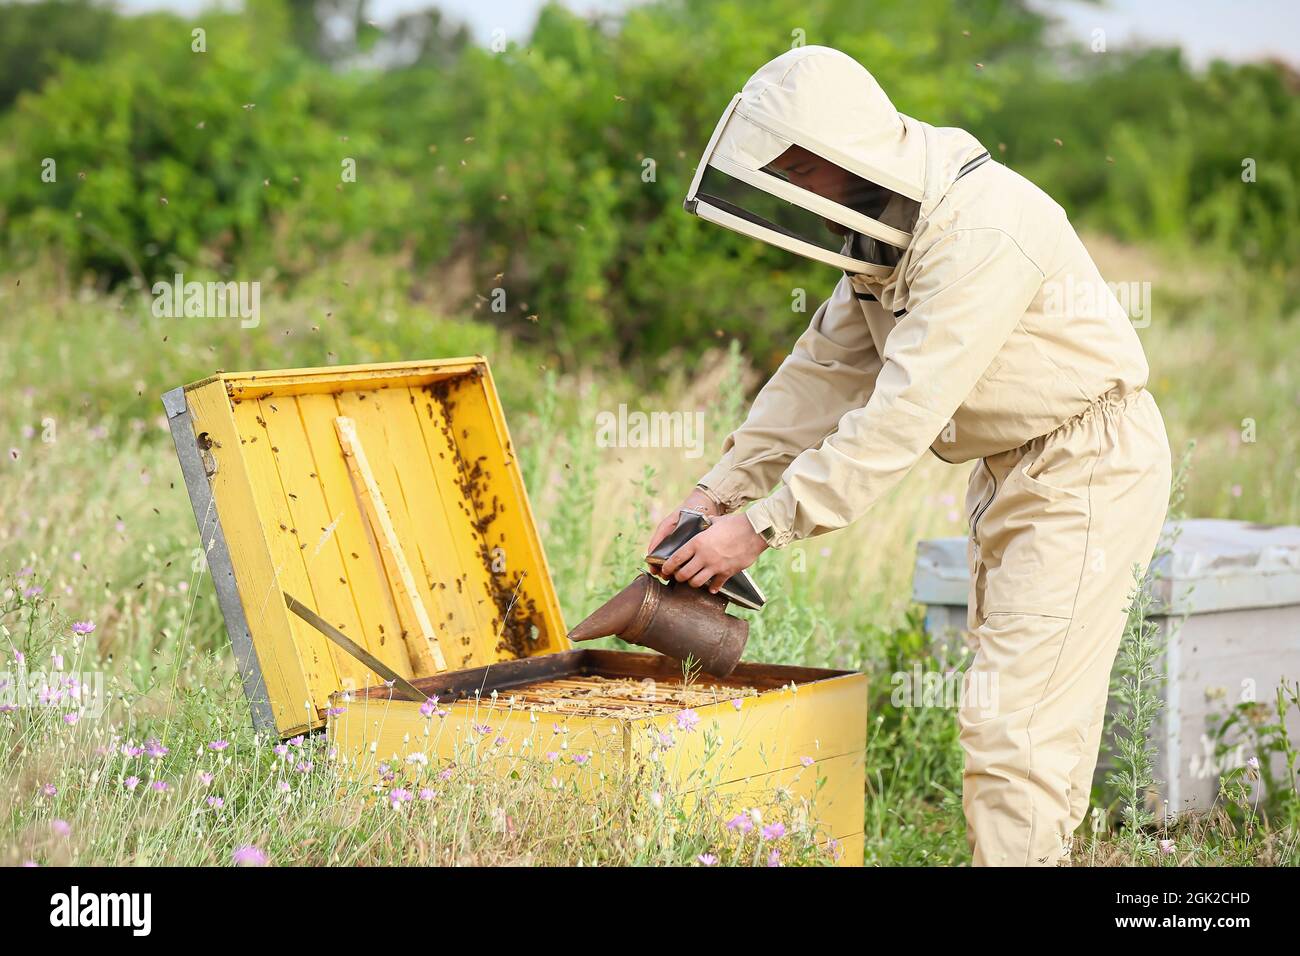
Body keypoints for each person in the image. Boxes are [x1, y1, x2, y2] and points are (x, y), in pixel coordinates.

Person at [648, 45, 1172, 866]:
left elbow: (899, 414)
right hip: (1011, 471)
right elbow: (817, 377)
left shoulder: (982, 230)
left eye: (801, 169)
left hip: (1086, 465)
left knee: (1016, 727)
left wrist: (759, 528)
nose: (800, 192)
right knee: (1032, 727)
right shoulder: (888, 242)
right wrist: (713, 497)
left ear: (844, 154)